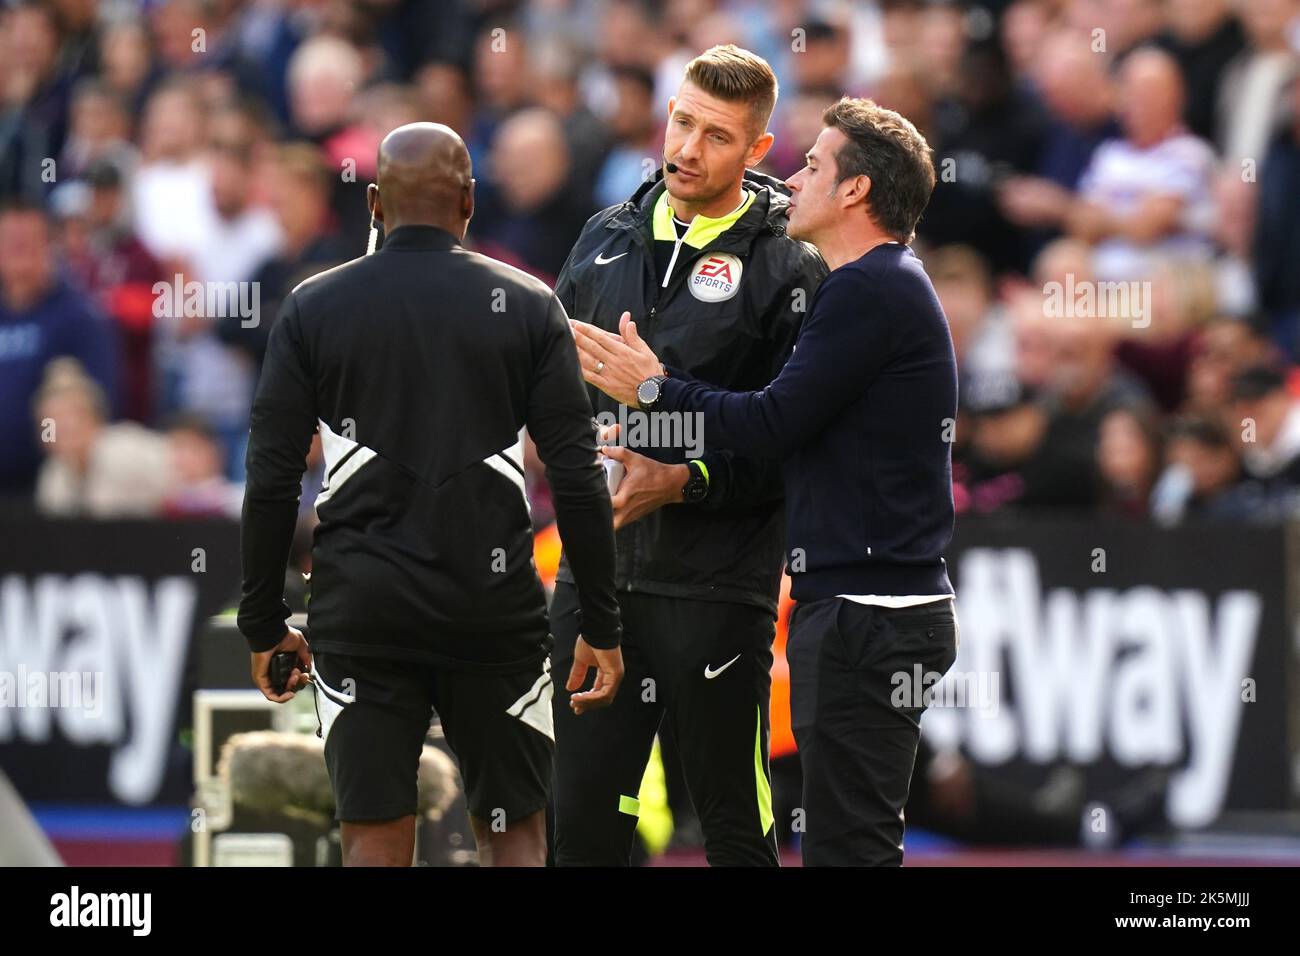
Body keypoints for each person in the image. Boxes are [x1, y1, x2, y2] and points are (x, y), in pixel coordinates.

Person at [573, 97, 958, 866]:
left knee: (850, 848)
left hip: (869, 612)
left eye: (813, 164)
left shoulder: (870, 289)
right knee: (850, 842)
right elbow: (787, 430)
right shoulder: (877, 287)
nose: (794, 177)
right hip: (865, 607)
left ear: (854, 191)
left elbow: (771, 422)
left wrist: (655, 388)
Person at [237, 122, 624, 867]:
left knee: (376, 838)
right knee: (516, 833)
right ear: (470, 201)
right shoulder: (529, 304)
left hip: (363, 609)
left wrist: (262, 621)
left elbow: (271, 477)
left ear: (375, 203)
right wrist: (600, 624)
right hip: (493, 608)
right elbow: (577, 477)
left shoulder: (315, 306)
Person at [549, 44, 826, 867]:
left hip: (718, 591)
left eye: (715, 135)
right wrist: (547, 438)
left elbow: (792, 442)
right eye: (681, 121)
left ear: (757, 151)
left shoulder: (789, 265)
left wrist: (682, 473)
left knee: (737, 833)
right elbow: (548, 387)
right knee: (581, 831)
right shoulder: (604, 234)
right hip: (593, 583)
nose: (686, 149)